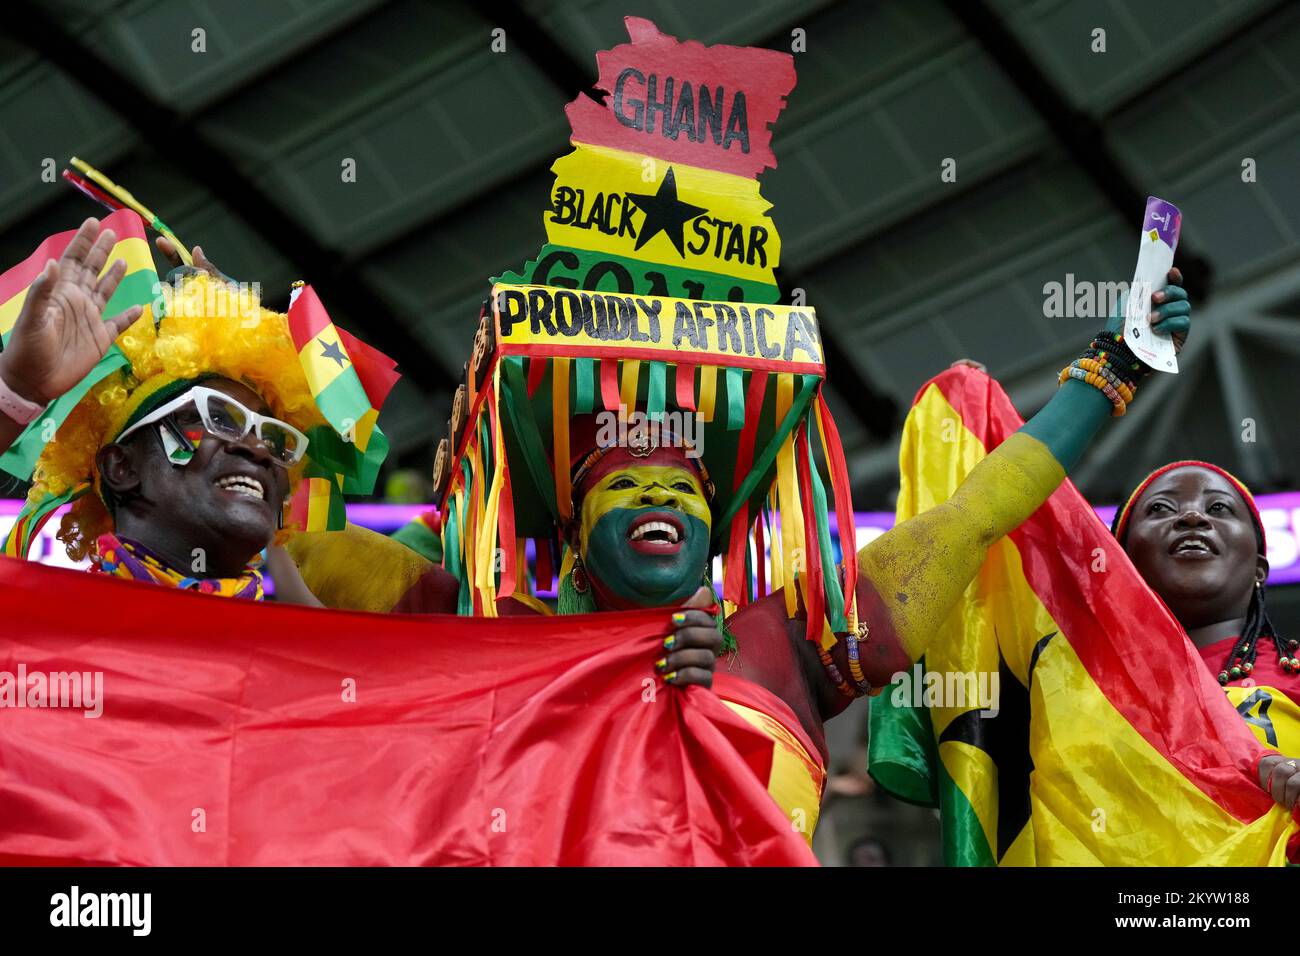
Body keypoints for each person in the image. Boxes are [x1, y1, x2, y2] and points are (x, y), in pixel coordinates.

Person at [291, 267, 1194, 838]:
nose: (659, 498)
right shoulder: (490, 634)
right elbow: (300, 566)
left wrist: (1117, 363)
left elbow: (975, 516)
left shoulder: (797, 638)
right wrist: (244, 396)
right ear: (572, 533)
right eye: (628, 486)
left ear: (712, 536)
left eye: (681, 489)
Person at [0, 217, 360, 604]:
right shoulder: (44, 630)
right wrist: (16, 392)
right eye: (218, 417)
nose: (257, 450)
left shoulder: (311, 655)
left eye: (275, 437)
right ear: (121, 467)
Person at [1113, 460, 1300, 815]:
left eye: (1218, 508)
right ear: (1124, 566)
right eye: (1161, 509)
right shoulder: (1076, 688)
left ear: (1259, 569)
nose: (1193, 518)